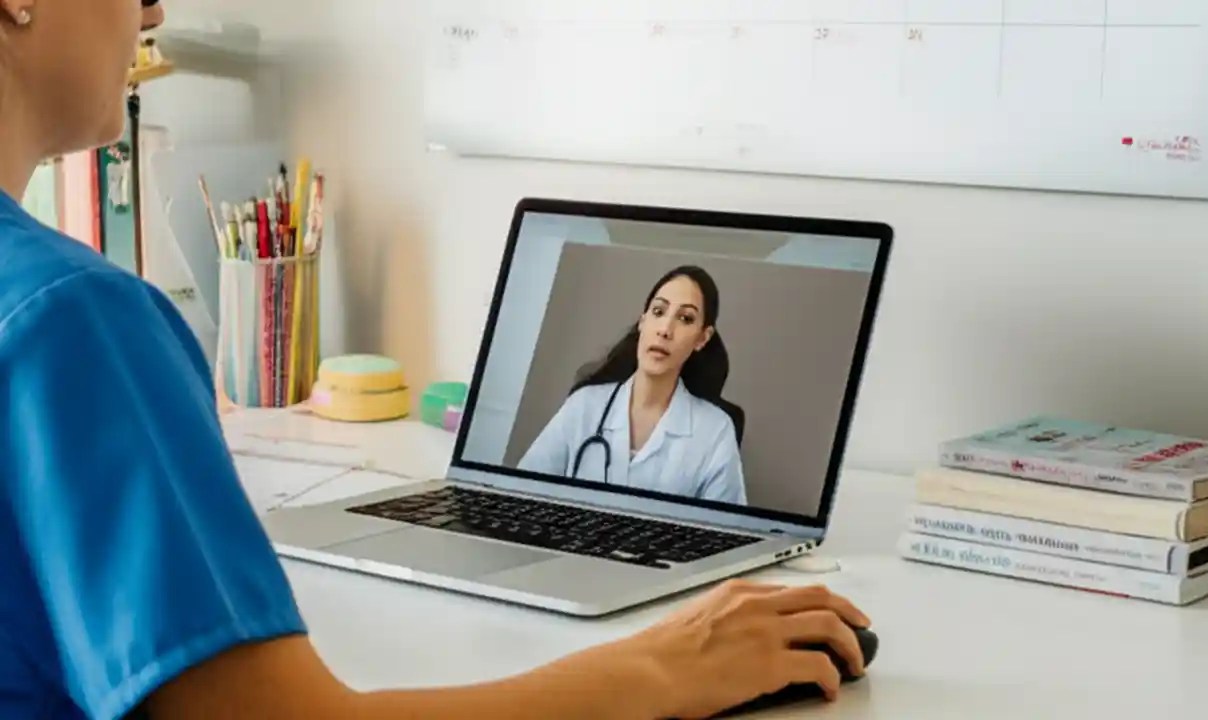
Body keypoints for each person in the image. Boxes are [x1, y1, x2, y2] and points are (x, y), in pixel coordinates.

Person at [0, 2, 871, 719]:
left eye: (686, 318)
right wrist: (666, 667)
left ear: (703, 337)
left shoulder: (44, 303)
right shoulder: (73, 319)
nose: (152, 11)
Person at [519, 266, 748, 504]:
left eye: (685, 318)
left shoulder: (715, 431)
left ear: (702, 338)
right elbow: (523, 494)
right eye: (658, 311)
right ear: (643, 321)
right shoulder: (584, 405)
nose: (665, 330)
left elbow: (724, 524)